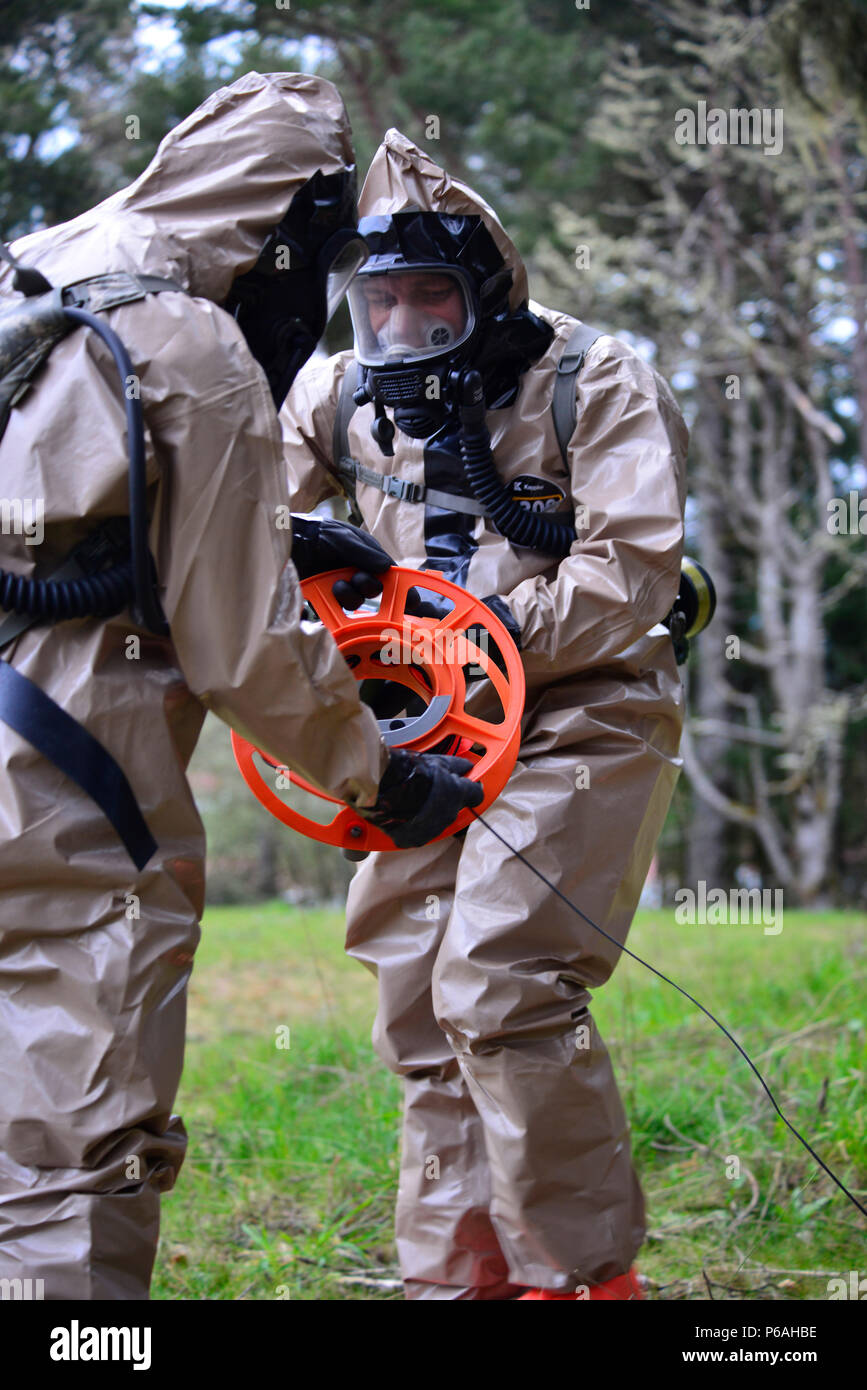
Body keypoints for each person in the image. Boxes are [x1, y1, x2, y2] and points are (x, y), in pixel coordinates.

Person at [0, 78, 478, 1301]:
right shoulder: (188, 334)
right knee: (76, 1136)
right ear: (293, 217)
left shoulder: (34, 269)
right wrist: (383, 774)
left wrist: (282, 534)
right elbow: (242, 649)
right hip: (68, 786)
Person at [281, 130, 688, 1300]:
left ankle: (581, 1279)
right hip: (421, 725)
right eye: (380, 302)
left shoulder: (592, 378)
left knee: (503, 983)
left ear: (486, 294)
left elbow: (633, 568)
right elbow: (248, 519)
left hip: (581, 704)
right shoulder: (333, 393)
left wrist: (488, 636)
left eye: (431, 300)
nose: (402, 329)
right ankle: (457, 1282)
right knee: (416, 999)